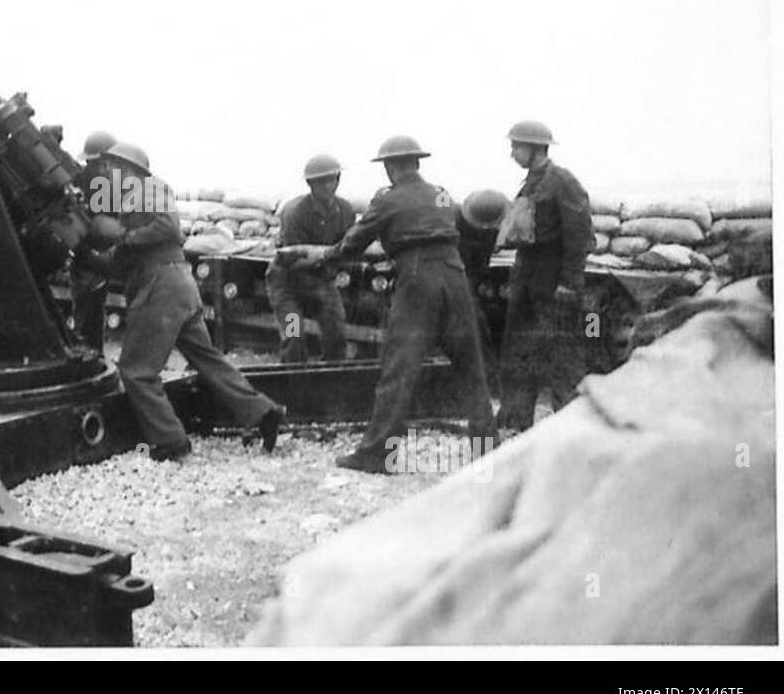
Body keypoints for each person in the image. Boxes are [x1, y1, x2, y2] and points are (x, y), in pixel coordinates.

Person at [284, 135, 496, 473]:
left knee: (398, 370)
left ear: (390, 166)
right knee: (472, 370)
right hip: (454, 277)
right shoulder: (441, 193)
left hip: (417, 281)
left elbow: (351, 245)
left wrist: (322, 256)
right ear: (416, 162)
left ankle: (379, 454)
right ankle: (488, 453)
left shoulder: (388, 200)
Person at [84, 142, 285, 461]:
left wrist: (119, 237)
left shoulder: (147, 187)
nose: (105, 173)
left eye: (111, 167)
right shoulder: (131, 200)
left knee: (136, 371)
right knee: (207, 359)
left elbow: (167, 227)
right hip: (176, 285)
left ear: (129, 169)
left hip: (160, 288)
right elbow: (125, 258)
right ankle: (262, 412)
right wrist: (89, 255)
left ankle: (170, 443)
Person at [496, 120, 593, 429]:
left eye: (516, 146)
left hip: (552, 281)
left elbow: (579, 235)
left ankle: (571, 424)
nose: (512, 153)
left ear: (535, 147)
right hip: (527, 278)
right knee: (521, 351)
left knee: (561, 355)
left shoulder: (562, 181)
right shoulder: (531, 183)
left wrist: (569, 282)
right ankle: (516, 420)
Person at [265, 155, 354, 362]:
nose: (327, 186)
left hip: (321, 282)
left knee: (337, 334)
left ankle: (331, 385)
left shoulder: (345, 211)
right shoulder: (295, 212)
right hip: (287, 285)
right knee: (294, 335)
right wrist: (326, 257)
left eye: (331, 180)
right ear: (310, 184)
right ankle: (293, 386)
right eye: (320, 182)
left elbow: (348, 247)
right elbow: (291, 259)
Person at [456, 188, 510, 390]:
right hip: (455, 278)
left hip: (471, 278)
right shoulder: (451, 216)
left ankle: (487, 377)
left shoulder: (492, 230)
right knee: (473, 328)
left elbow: (482, 263)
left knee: (477, 328)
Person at [69, 130, 118, 352]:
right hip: (86, 255)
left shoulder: (112, 183)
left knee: (93, 312)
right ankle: (88, 351)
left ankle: (93, 352)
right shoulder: (86, 180)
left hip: (99, 256)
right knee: (86, 311)